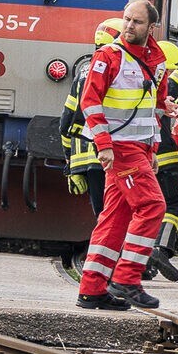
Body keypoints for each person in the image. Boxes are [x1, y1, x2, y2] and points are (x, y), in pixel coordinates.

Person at [74, 0, 172, 310]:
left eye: (137, 22)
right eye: (127, 19)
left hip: (138, 149)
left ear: (151, 28)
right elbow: (89, 102)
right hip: (120, 149)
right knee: (153, 206)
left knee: (114, 219)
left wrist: (153, 147)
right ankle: (127, 278)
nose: (129, 26)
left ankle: (91, 289)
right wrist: (103, 144)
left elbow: (151, 108)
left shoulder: (157, 62)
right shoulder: (109, 56)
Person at [60, 18, 123, 217]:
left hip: (86, 159)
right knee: (118, 214)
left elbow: (66, 122)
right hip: (114, 154)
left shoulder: (83, 72)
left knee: (102, 214)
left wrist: (70, 166)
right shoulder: (121, 70)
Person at [147, 38, 178, 282]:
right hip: (164, 157)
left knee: (144, 208)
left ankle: (139, 261)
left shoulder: (141, 81)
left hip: (141, 156)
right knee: (172, 204)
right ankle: (160, 249)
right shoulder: (164, 84)